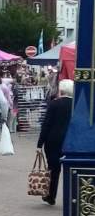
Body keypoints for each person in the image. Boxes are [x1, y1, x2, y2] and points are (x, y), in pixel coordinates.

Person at [37, 78, 73, 206]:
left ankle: (51, 195)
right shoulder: (75, 105)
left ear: (61, 90)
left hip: (53, 141)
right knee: (70, 170)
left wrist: (39, 143)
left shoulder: (54, 104)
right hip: (70, 141)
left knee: (53, 169)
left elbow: (46, 124)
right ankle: (71, 196)